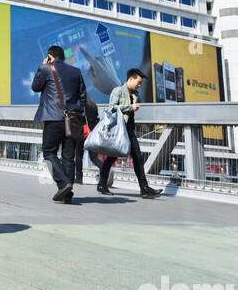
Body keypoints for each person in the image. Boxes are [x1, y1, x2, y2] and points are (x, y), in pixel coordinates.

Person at [31, 45, 88, 204]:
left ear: (50, 56)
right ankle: (67, 195)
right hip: (72, 119)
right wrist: (76, 111)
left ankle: (63, 184)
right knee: (69, 157)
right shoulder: (76, 72)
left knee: (49, 152)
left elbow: (35, 87)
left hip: (53, 118)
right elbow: (83, 96)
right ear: (62, 57)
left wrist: (43, 66)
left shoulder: (45, 69)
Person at [97, 68, 162, 198]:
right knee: (112, 157)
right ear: (130, 79)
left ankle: (144, 188)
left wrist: (135, 99)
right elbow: (112, 108)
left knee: (138, 157)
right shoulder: (118, 91)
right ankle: (102, 184)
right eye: (138, 82)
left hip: (130, 130)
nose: (139, 85)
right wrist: (130, 107)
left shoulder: (135, 94)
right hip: (120, 130)